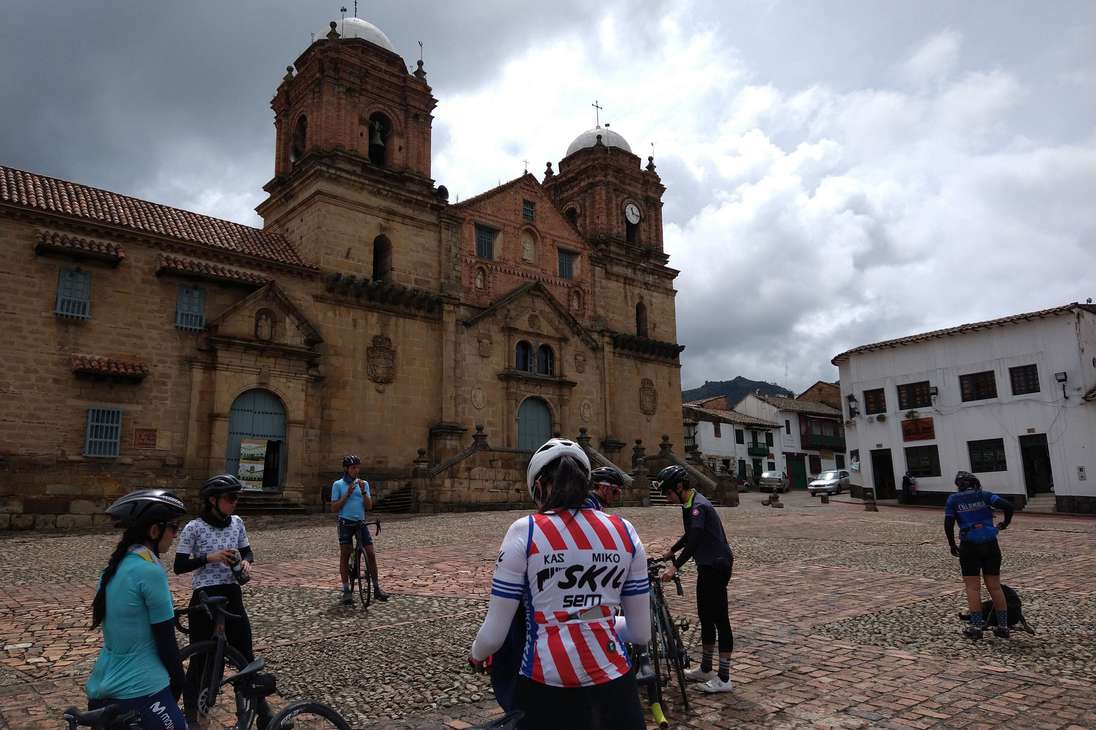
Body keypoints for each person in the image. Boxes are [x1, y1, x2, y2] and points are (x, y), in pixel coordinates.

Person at [469, 438, 651, 730]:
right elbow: (640, 632)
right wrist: (593, 617)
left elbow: (493, 635)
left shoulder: (524, 531)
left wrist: (476, 655)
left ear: (538, 488)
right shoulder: (625, 531)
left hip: (545, 685)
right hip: (616, 688)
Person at [174, 474, 271, 726]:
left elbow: (247, 549)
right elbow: (179, 565)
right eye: (231, 497)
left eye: (237, 497)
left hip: (231, 592)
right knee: (200, 660)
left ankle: (262, 713)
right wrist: (210, 557)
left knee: (245, 656)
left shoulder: (237, 522)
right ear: (213, 500)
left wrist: (247, 561)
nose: (235, 502)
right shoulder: (193, 527)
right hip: (205, 595)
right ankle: (192, 716)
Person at [86, 489, 188, 730]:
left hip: (101, 685)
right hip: (139, 688)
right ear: (154, 531)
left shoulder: (114, 567)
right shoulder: (150, 572)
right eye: (173, 528)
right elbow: (166, 639)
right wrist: (179, 681)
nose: (176, 535)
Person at [656, 464, 735, 693]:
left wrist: (675, 567)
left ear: (679, 487)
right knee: (705, 616)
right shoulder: (689, 503)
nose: (667, 497)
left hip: (717, 565)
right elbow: (690, 533)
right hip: (706, 566)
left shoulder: (698, 506)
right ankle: (706, 668)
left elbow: (696, 539)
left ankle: (724, 678)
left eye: (669, 492)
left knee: (720, 619)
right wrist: (671, 550)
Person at [945, 471, 1015, 639]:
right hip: (991, 544)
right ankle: (1003, 626)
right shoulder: (985, 496)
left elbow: (948, 523)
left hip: (969, 546)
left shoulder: (953, 500)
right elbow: (1008, 506)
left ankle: (976, 627)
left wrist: (952, 544)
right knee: (995, 586)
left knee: (972, 588)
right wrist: (1005, 523)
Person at [331, 454, 389, 604]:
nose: (356, 470)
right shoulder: (338, 485)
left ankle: (376, 588)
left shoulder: (364, 484)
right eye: (353, 468)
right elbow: (334, 507)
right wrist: (347, 495)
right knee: (346, 553)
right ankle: (346, 590)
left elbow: (369, 506)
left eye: (357, 468)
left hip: (360, 523)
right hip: (345, 523)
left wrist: (363, 491)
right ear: (346, 469)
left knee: (370, 553)